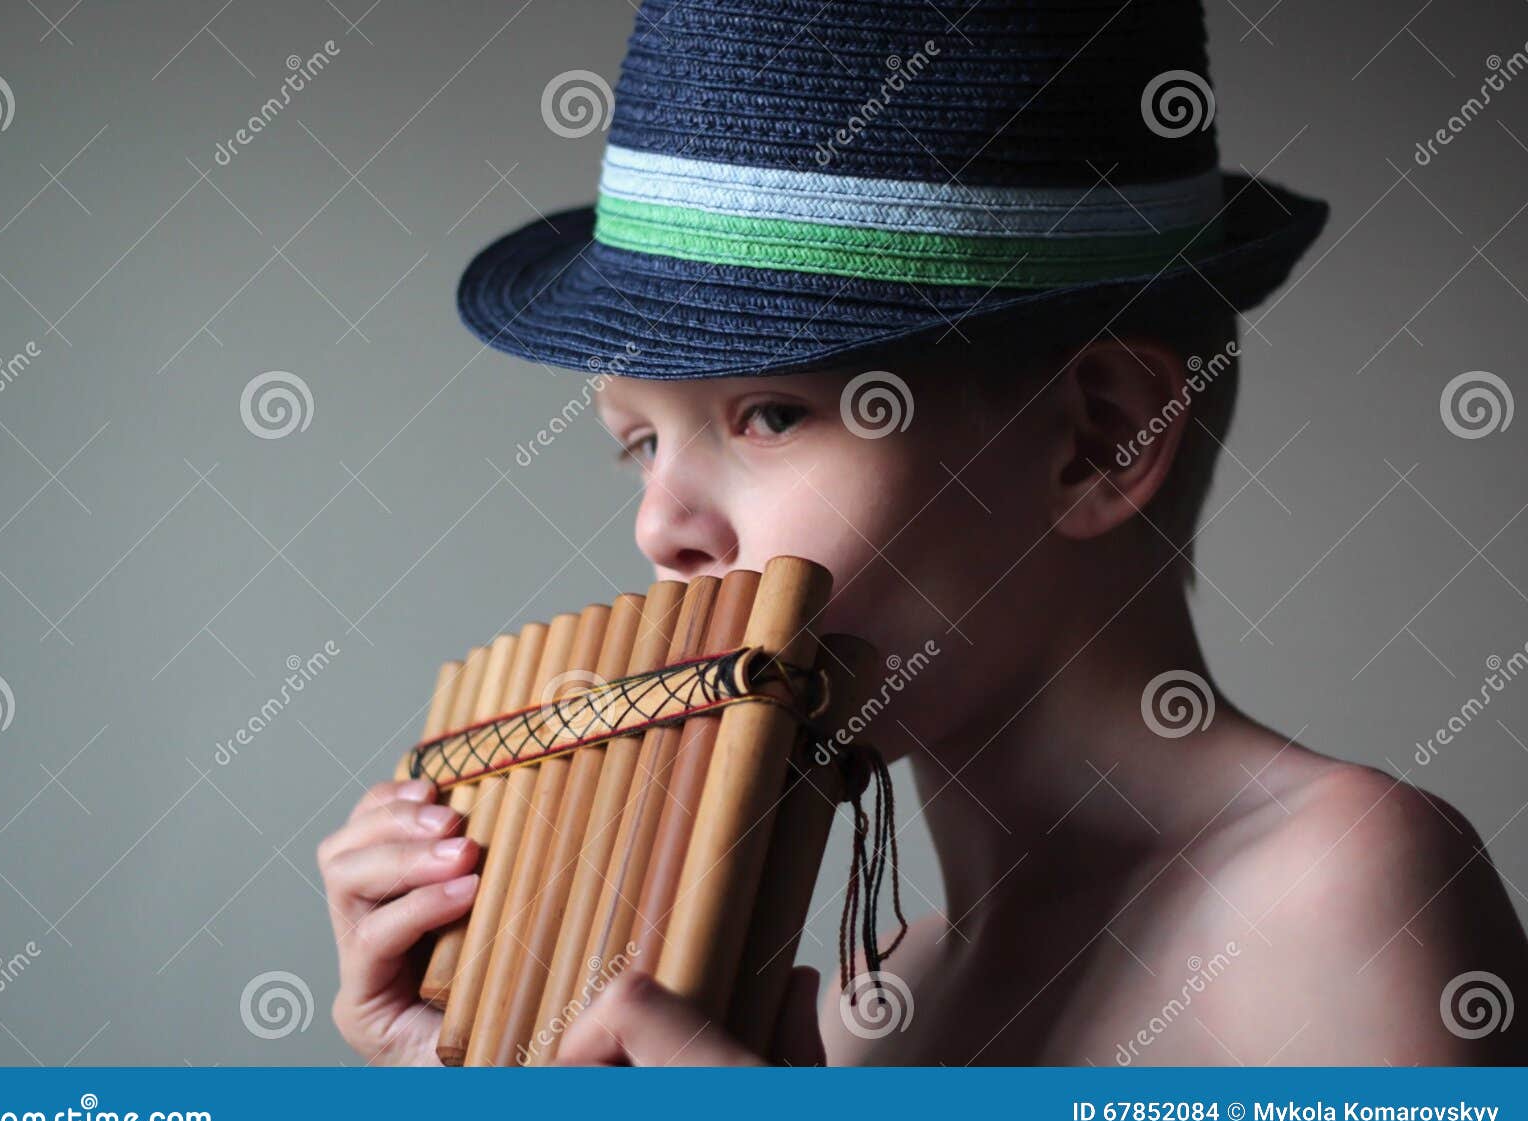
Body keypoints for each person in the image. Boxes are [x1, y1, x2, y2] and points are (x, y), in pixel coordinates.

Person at [317, 0, 1528, 1065]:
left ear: (1099, 435)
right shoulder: (857, 1002)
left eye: (770, 412)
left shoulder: (1339, 887)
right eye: (639, 441)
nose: (662, 526)